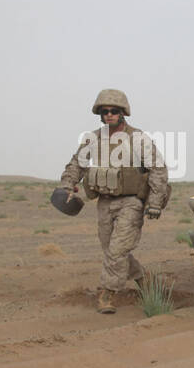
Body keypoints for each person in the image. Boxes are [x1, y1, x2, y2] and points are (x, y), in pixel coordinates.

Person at [58, 89, 170, 313]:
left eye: (113, 111)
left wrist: (155, 202)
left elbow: (158, 169)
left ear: (123, 113)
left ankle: (106, 294)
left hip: (131, 202)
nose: (109, 115)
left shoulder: (137, 138)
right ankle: (143, 280)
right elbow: (76, 164)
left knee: (117, 250)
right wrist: (67, 185)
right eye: (104, 111)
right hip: (105, 202)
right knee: (111, 249)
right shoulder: (94, 138)